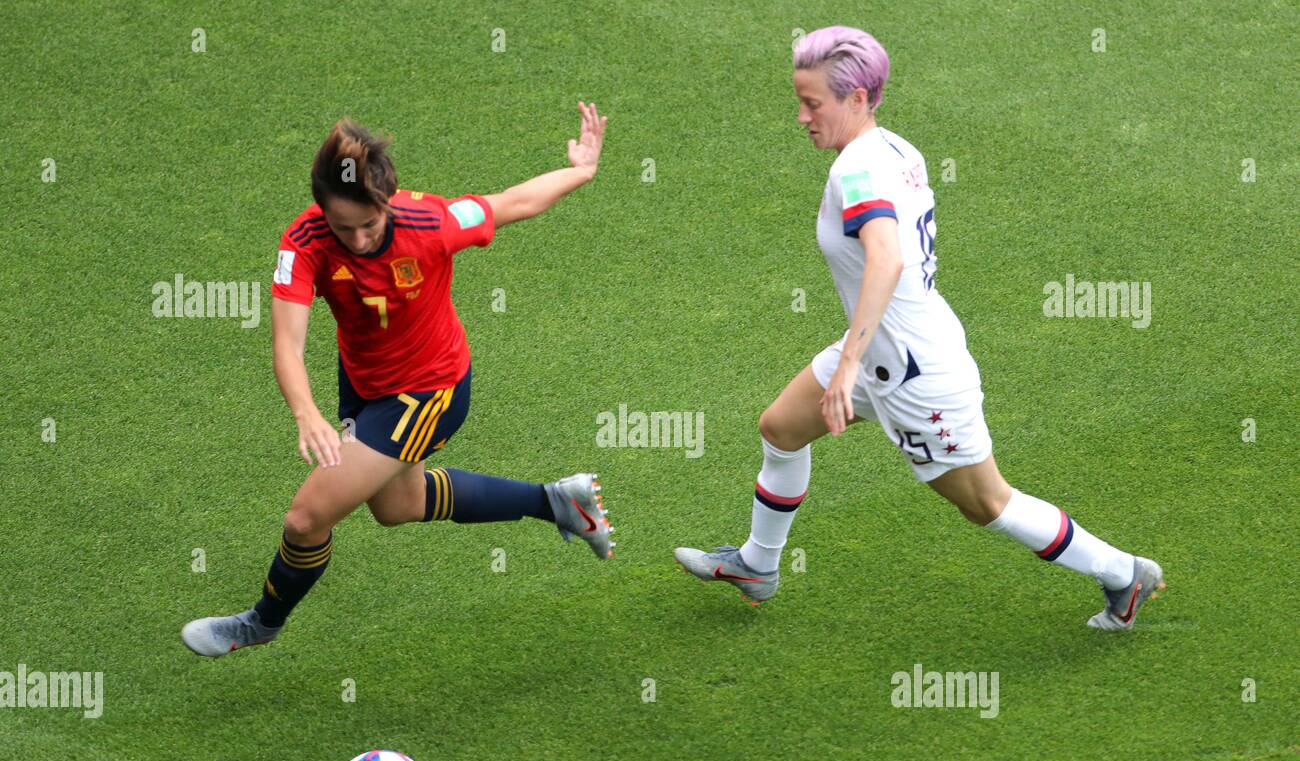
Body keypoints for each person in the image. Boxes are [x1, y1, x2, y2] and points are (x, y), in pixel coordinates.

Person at [674, 28, 1164, 629]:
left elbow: (887, 258)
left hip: (910, 373)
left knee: (988, 503)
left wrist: (849, 362)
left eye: (813, 104)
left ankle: (1123, 573)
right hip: (891, 344)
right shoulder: (898, 150)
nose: (801, 117)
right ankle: (757, 563)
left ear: (857, 98)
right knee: (780, 428)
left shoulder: (854, 172)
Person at [183, 104, 614, 657]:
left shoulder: (429, 223)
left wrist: (581, 170)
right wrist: (306, 413)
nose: (359, 239)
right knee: (396, 506)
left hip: (427, 391)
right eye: (345, 227)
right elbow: (286, 344)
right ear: (322, 211)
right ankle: (559, 502)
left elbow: (514, 202)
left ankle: (261, 623)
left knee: (307, 517)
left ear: (389, 200)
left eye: (370, 224)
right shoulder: (304, 242)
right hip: (363, 382)